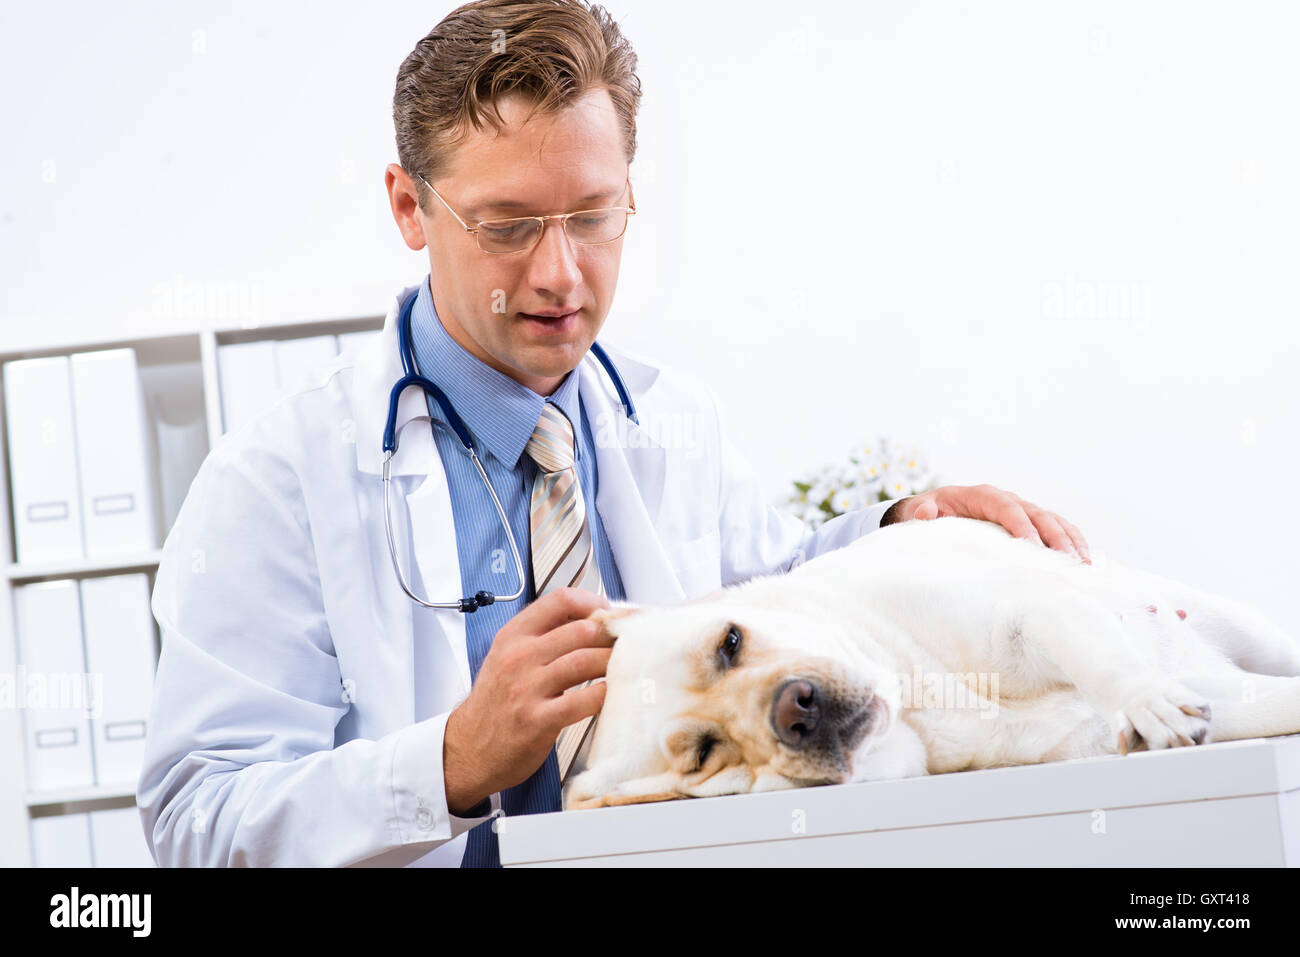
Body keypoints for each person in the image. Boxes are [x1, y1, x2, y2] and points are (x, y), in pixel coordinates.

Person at [137, 0, 1090, 868]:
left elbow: (769, 590)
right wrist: (452, 761)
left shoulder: (675, 423)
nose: (559, 274)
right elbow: (196, 820)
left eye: (593, 216)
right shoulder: (275, 479)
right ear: (408, 207)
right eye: (507, 225)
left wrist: (901, 526)